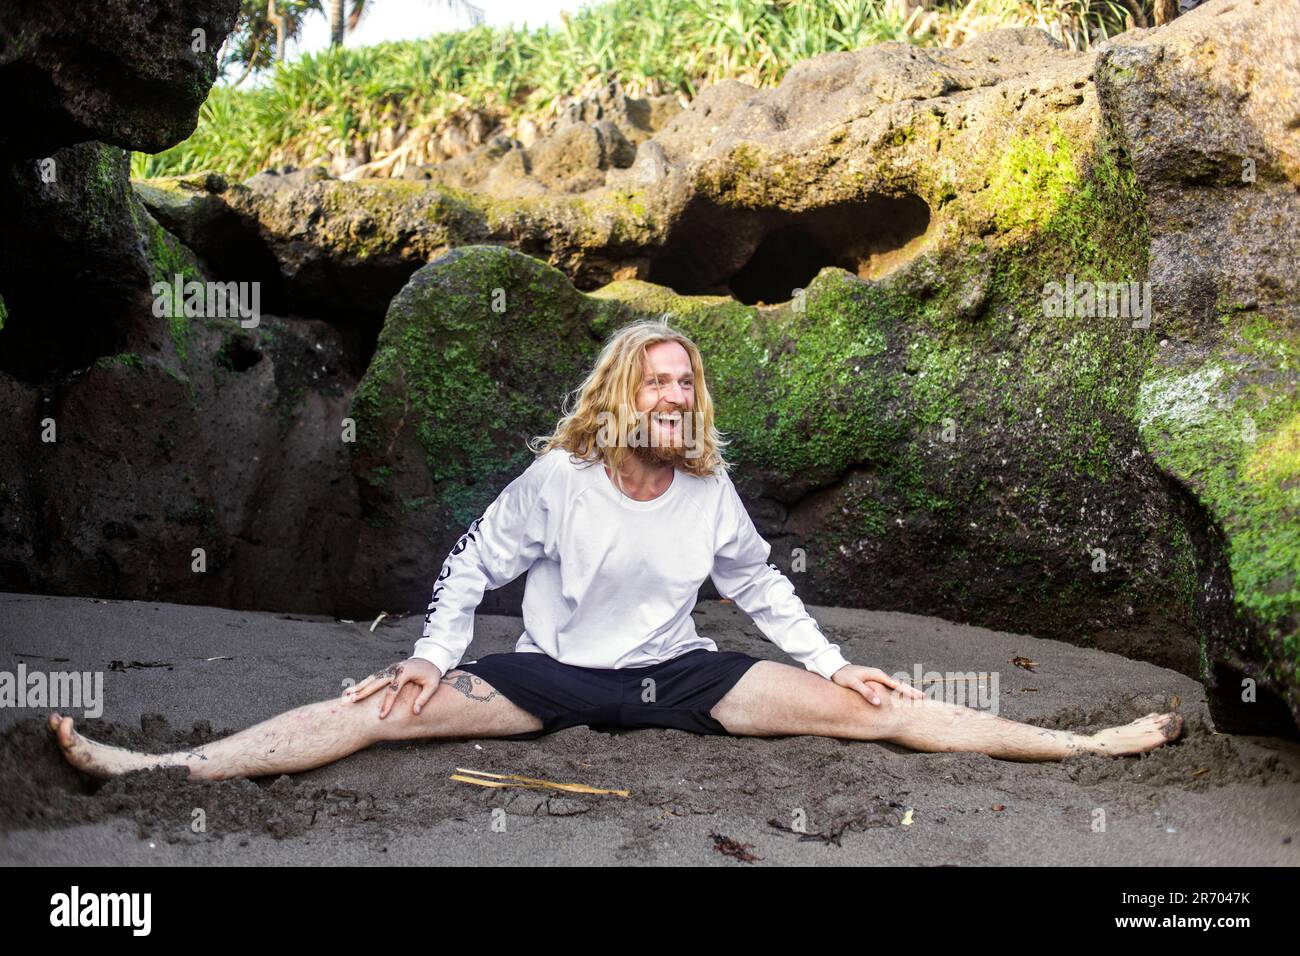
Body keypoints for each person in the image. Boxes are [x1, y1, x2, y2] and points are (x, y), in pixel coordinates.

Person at [48, 317, 1181, 780]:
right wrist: (435, 656)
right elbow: (470, 565)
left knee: (879, 704)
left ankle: (1088, 748)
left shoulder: (708, 485)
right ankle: (155, 769)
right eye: (663, 379)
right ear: (622, 393)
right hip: (549, 676)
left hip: (678, 674)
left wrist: (835, 664)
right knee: (376, 705)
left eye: (690, 381)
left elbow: (756, 584)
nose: (680, 394)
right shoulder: (561, 480)